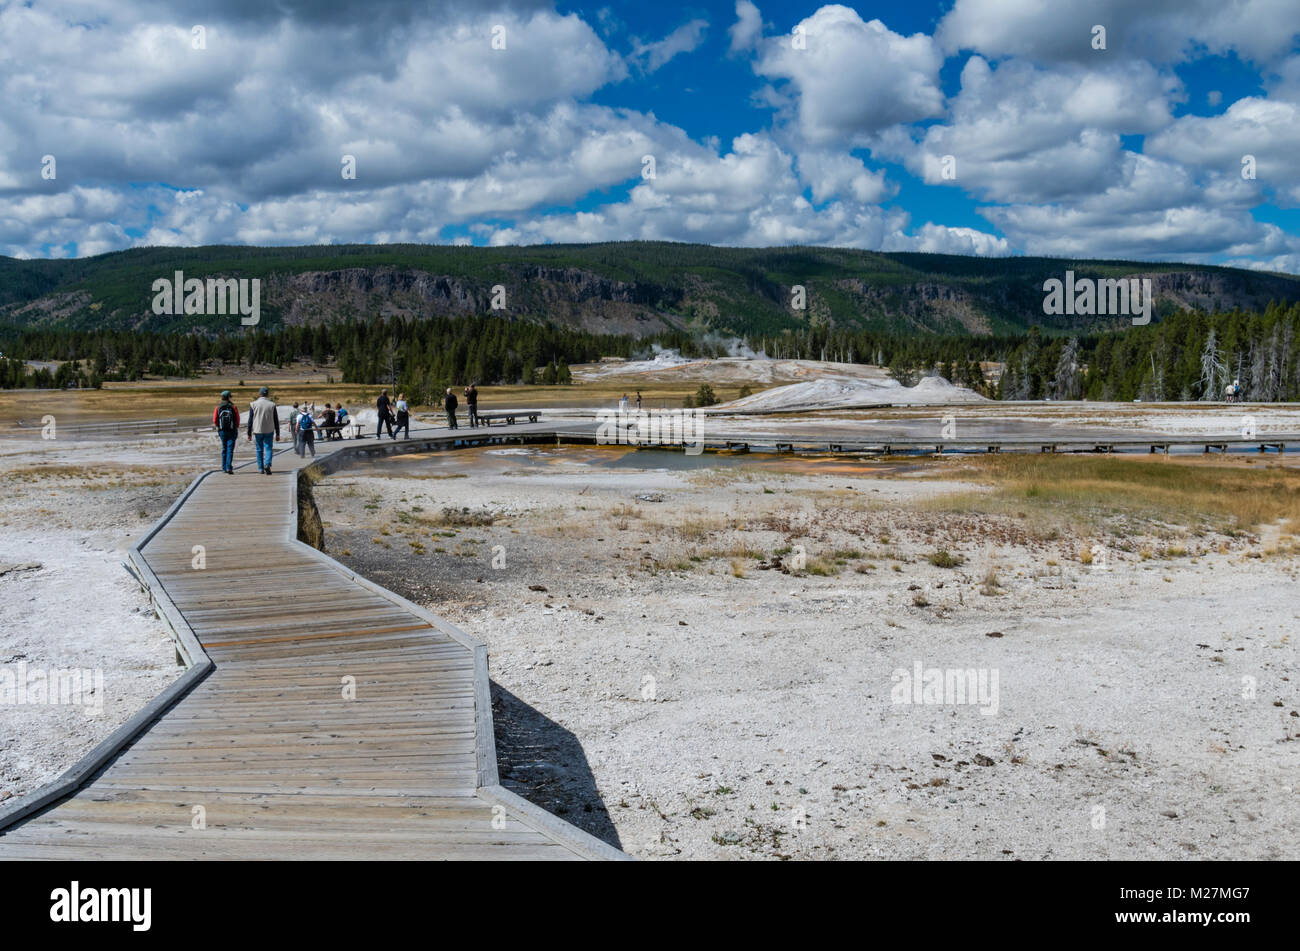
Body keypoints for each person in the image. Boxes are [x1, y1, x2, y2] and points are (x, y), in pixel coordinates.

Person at [246, 386, 281, 475]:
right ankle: (267, 464)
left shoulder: (253, 404)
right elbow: (276, 419)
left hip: (258, 429)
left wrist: (249, 433)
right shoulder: (272, 404)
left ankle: (260, 468)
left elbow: (250, 419)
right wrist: (278, 433)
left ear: (259, 394)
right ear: (267, 394)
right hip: (269, 429)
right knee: (268, 448)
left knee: (259, 449)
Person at [212, 390, 240, 474]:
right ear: (229, 397)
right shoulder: (233, 407)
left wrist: (218, 426)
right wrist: (235, 427)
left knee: (224, 448)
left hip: (222, 431)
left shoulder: (218, 407)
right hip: (232, 430)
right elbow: (238, 419)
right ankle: (228, 467)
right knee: (230, 449)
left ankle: (224, 467)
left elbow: (214, 420)